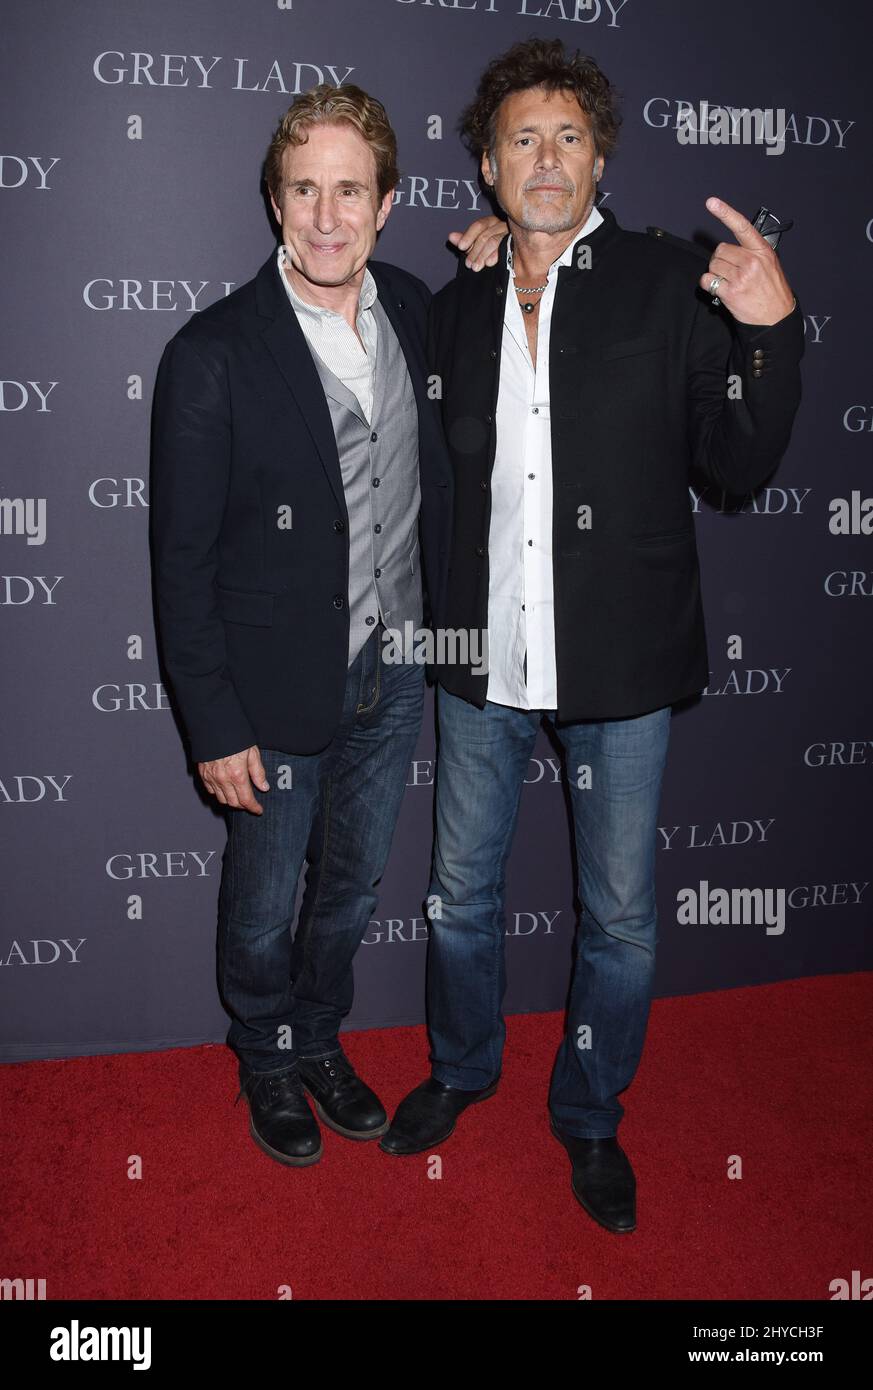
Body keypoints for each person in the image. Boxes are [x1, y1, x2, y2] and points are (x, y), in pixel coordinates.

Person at [380, 38, 803, 1235]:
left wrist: (770, 337)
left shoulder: (673, 285)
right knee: (460, 895)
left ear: (602, 155)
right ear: (488, 165)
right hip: (479, 661)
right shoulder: (457, 304)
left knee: (618, 915)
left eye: (570, 136)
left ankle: (590, 1114)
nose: (548, 158)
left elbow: (736, 466)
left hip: (618, 668)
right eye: (523, 137)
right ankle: (462, 1070)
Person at [150, 84, 452, 1167]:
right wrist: (212, 721)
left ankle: (320, 1037)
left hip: (397, 671)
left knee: (355, 886)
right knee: (265, 896)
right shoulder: (214, 352)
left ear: (388, 203)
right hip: (271, 691)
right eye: (305, 191)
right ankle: (266, 1055)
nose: (328, 216)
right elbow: (180, 561)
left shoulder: (420, 310)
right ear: (276, 204)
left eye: (351, 191)